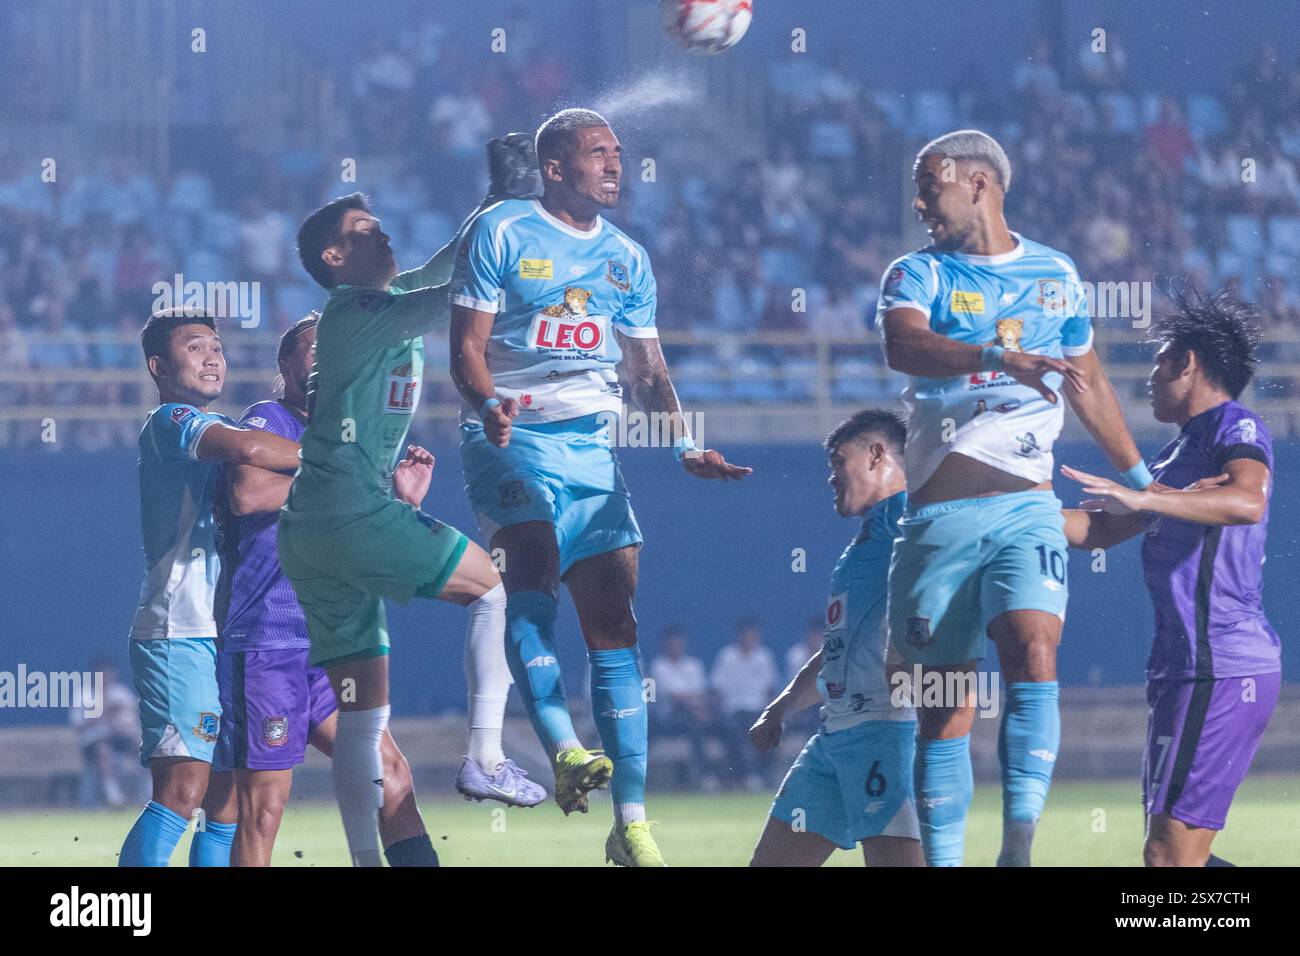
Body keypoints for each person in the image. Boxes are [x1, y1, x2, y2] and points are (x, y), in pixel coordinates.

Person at [449, 108, 751, 866]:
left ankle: (632, 826)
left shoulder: (627, 259)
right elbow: (465, 351)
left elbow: (647, 372)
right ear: (555, 167)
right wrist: (489, 403)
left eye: (618, 154)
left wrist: (684, 443)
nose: (615, 166)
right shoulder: (504, 231)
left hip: (592, 453)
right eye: (597, 155)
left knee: (616, 628)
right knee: (535, 573)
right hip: (511, 438)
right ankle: (562, 748)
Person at [876, 129, 1153, 866]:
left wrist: (1141, 485)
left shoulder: (1055, 274)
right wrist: (999, 355)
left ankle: (1019, 849)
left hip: (1027, 509)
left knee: (1034, 649)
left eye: (929, 185)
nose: (920, 200)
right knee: (944, 709)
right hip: (936, 518)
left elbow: (1087, 383)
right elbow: (904, 348)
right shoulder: (916, 273)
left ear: (977, 184)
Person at [212, 315, 536, 867]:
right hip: (267, 640)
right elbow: (247, 493)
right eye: (311, 350)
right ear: (285, 366)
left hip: (329, 642)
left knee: (389, 773)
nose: (325, 361)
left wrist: (399, 503)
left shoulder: (354, 439)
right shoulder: (268, 419)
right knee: (263, 807)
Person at [1060, 290, 1279, 868]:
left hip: (1222, 664)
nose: (1149, 377)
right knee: (1175, 856)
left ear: (1187, 363)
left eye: (1158, 362)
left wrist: (1151, 496)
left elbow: (1248, 500)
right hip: (1182, 669)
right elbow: (1100, 531)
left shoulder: (1236, 423)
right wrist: (1008, 514)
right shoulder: (1177, 455)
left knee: (1168, 856)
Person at [119, 308, 301, 867]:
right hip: (180, 628)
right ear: (159, 365)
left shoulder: (216, 430)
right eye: (195, 348)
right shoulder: (172, 421)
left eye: (217, 349)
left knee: (226, 804)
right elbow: (251, 451)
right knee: (182, 790)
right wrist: (345, 461)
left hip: (229, 632)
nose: (212, 357)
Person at [750, 409, 922, 867]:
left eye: (837, 463)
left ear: (876, 455)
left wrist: (909, 661)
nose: (830, 478)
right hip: (836, 734)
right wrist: (779, 708)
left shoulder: (912, 524)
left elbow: (940, 600)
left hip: (887, 730)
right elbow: (839, 647)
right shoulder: (863, 545)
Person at [711, 619, 779, 791]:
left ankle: (762, 775)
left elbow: (769, 690)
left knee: (773, 729)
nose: (749, 639)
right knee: (733, 730)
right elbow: (718, 689)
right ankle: (744, 776)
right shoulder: (726, 657)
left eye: (752, 635)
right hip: (733, 711)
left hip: (758, 710)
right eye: (745, 635)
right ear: (739, 636)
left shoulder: (765, 657)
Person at [71, 658, 146, 809]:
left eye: (108, 674)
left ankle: (147, 794)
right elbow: (78, 726)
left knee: (143, 748)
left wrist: (119, 717)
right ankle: (113, 794)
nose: (105, 678)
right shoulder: (85, 695)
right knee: (103, 749)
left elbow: (133, 719)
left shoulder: (121, 693)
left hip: (120, 737)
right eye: (101, 675)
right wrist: (101, 713)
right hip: (94, 741)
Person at [648, 627, 713, 788]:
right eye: (671, 643)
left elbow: (702, 693)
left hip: (694, 716)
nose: (675, 646)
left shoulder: (694, 665)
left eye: (678, 643)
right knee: (691, 718)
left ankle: (706, 776)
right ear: (664, 645)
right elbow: (672, 696)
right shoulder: (658, 665)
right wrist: (691, 699)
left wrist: (693, 701)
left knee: (703, 725)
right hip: (668, 720)